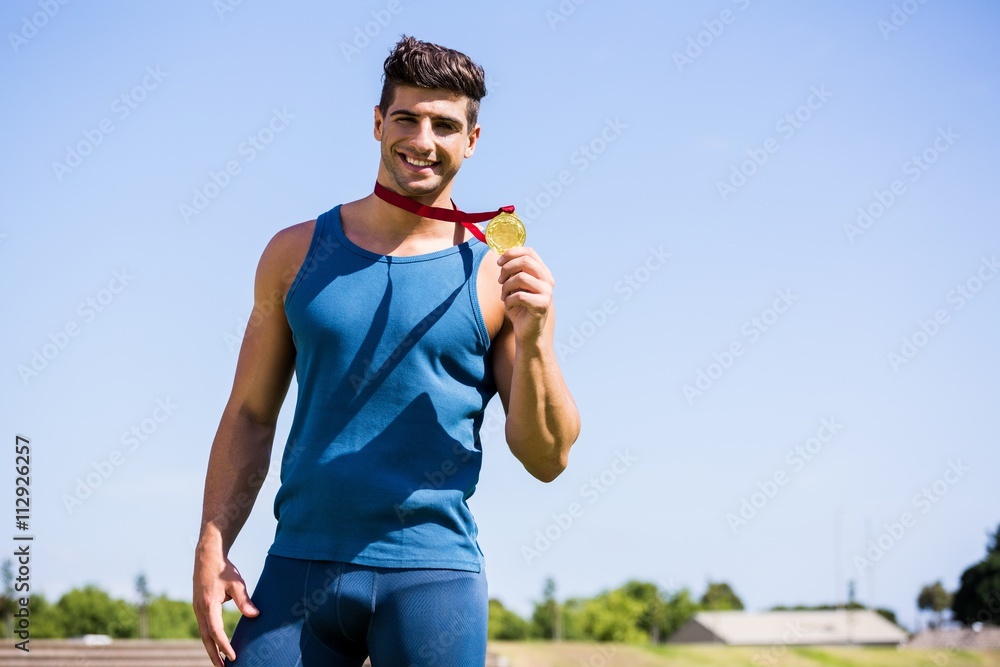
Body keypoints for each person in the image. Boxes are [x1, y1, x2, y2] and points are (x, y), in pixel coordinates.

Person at [192, 35, 581, 666]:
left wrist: (535, 338)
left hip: (432, 579)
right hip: (299, 566)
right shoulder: (294, 253)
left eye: (444, 125)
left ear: (472, 139)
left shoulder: (500, 277)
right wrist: (213, 544)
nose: (423, 140)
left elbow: (549, 458)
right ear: (378, 123)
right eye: (406, 118)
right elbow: (250, 414)